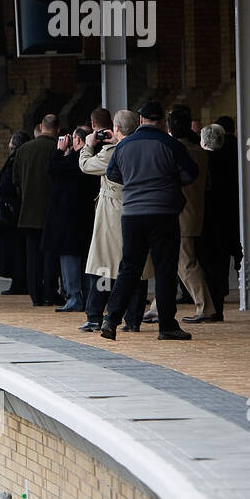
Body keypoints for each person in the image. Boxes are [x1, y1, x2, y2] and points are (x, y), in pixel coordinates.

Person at [100, 101, 199, 341]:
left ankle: (111, 320)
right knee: (165, 271)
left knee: (129, 268)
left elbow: (113, 174)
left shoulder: (124, 146)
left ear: (141, 119)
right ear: (162, 121)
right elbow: (190, 174)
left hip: (132, 215)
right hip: (164, 214)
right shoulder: (171, 145)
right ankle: (166, 326)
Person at [80, 109, 150, 332]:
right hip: (139, 209)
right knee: (137, 266)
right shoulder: (144, 147)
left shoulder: (112, 152)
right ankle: (133, 319)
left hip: (112, 213)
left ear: (116, 128)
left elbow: (86, 165)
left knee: (104, 266)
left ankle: (94, 316)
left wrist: (89, 144)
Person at [167, 105, 213, 323]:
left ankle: (205, 307)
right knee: (171, 261)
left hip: (179, 215)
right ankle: (159, 306)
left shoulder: (174, 152)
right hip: (195, 212)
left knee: (185, 263)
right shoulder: (200, 153)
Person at [45, 126, 97, 312]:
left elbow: (51, 169)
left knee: (69, 260)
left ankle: (74, 298)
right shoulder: (90, 160)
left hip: (67, 220)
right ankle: (85, 296)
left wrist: (59, 151)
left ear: (77, 140)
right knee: (84, 260)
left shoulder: (73, 160)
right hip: (85, 216)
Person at [12, 114, 60, 306]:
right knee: (50, 254)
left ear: (41, 126)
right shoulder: (56, 149)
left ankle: (35, 294)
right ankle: (50, 292)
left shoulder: (23, 149)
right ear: (57, 130)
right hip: (51, 212)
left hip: (28, 212)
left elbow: (15, 181)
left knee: (32, 256)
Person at [198, 123, 237, 321]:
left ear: (203, 141)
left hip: (205, 219)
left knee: (205, 265)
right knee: (221, 265)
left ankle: (209, 308)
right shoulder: (231, 161)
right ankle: (218, 308)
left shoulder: (203, 161)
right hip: (226, 219)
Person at [0, 131, 30, 294]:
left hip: (11, 213)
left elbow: (7, 184)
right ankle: (20, 281)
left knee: (13, 249)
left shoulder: (14, 161)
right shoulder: (22, 160)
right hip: (18, 211)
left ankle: (19, 283)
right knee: (18, 249)